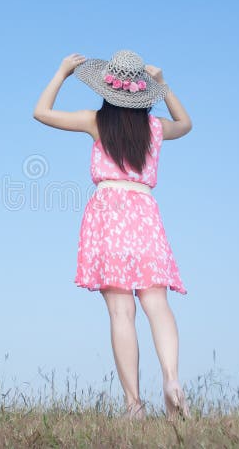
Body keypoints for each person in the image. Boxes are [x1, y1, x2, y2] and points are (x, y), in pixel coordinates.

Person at [32, 49, 193, 421]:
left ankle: (134, 404)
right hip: (145, 214)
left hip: (109, 215)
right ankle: (171, 380)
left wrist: (62, 73)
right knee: (158, 304)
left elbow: (42, 112)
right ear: (143, 92)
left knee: (122, 312)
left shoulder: (96, 122)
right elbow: (185, 123)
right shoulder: (155, 129)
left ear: (107, 88)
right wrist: (163, 85)